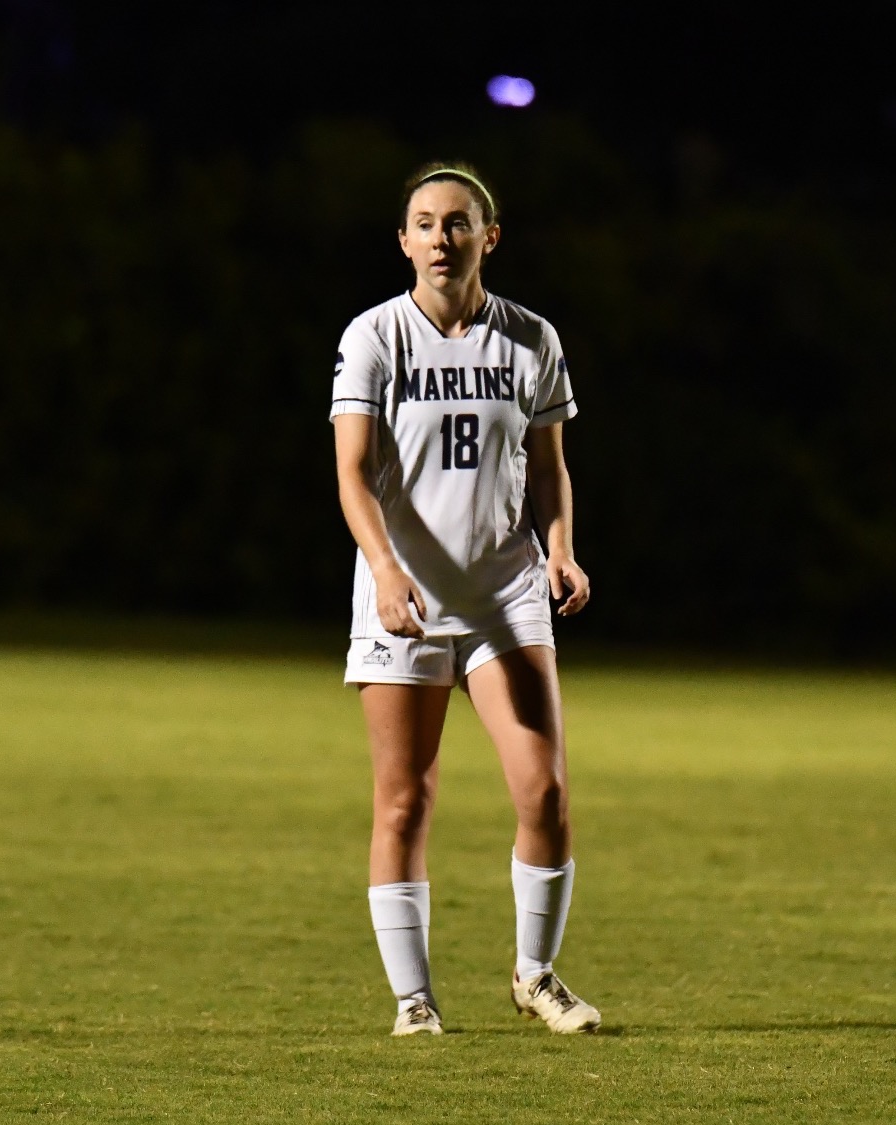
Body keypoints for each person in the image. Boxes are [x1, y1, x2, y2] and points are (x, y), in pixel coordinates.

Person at [330, 164, 598, 1037]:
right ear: (402, 240)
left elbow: (549, 467)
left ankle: (536, 974)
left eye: (458, 222)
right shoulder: (375, 336)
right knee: (404, 799)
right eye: (424, 222)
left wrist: (559, 549)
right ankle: (414, 999)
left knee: (544, 791)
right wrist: (385, 567)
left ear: (490, 236)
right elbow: (352, 475)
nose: (441, 237)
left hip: (502, 594)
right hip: (402, 591)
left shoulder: (531, 339)